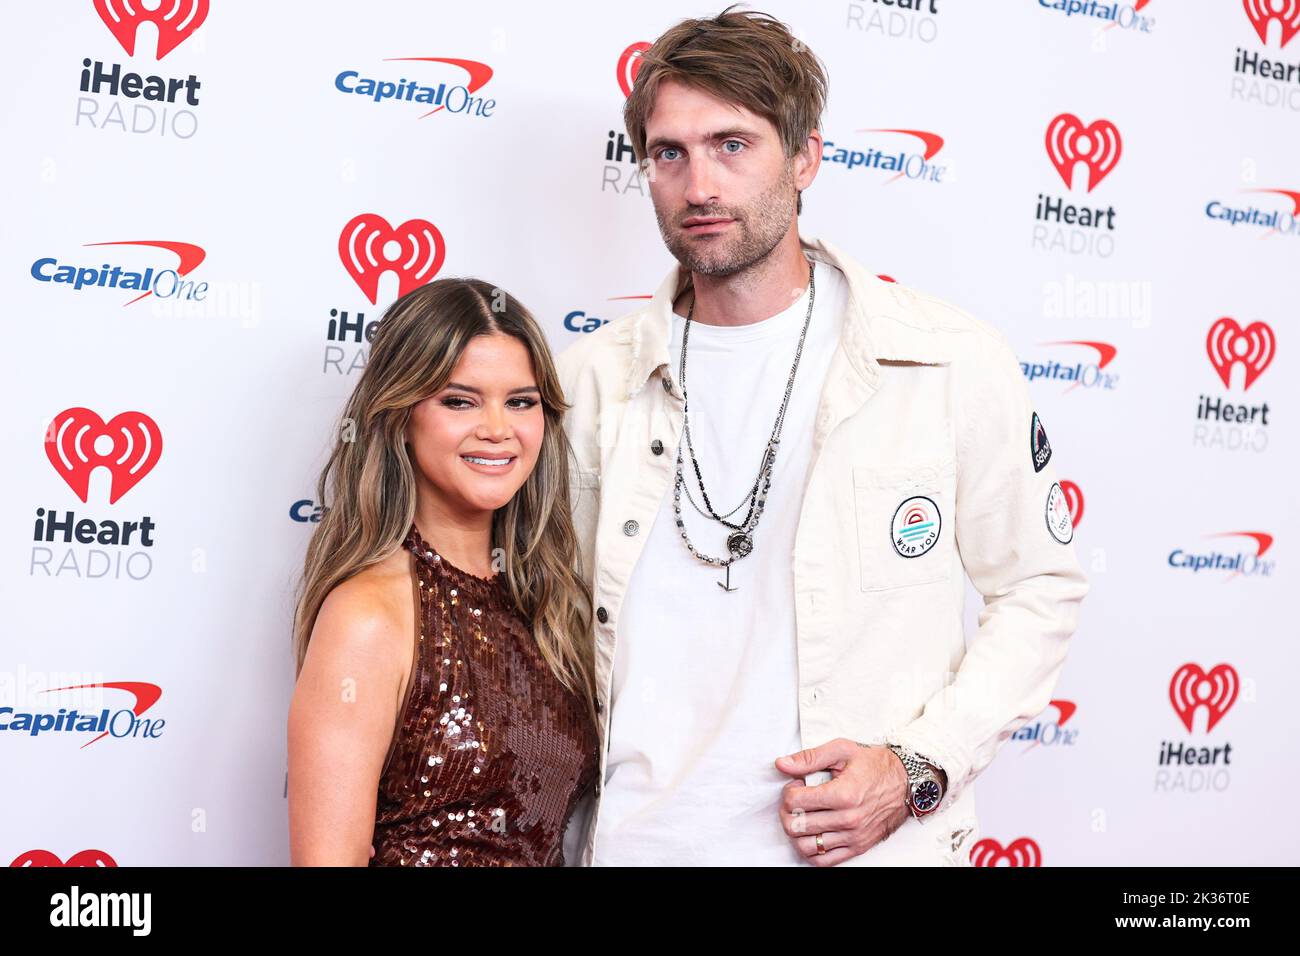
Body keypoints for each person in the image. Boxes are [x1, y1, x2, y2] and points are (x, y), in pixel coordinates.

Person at [554, 7, 1090, 866]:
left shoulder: (945, 361)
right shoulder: (586, 384)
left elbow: (1040, 586)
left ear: (804, 156)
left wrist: (921, 764)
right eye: (669, 153)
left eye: (734, 144)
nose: (699, 186)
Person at [287, 278, 599, 866]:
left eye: (521, 401)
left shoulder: (546, 603)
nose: (498, 429)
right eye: (460, 401)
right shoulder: (369, 614)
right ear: (401, 415)